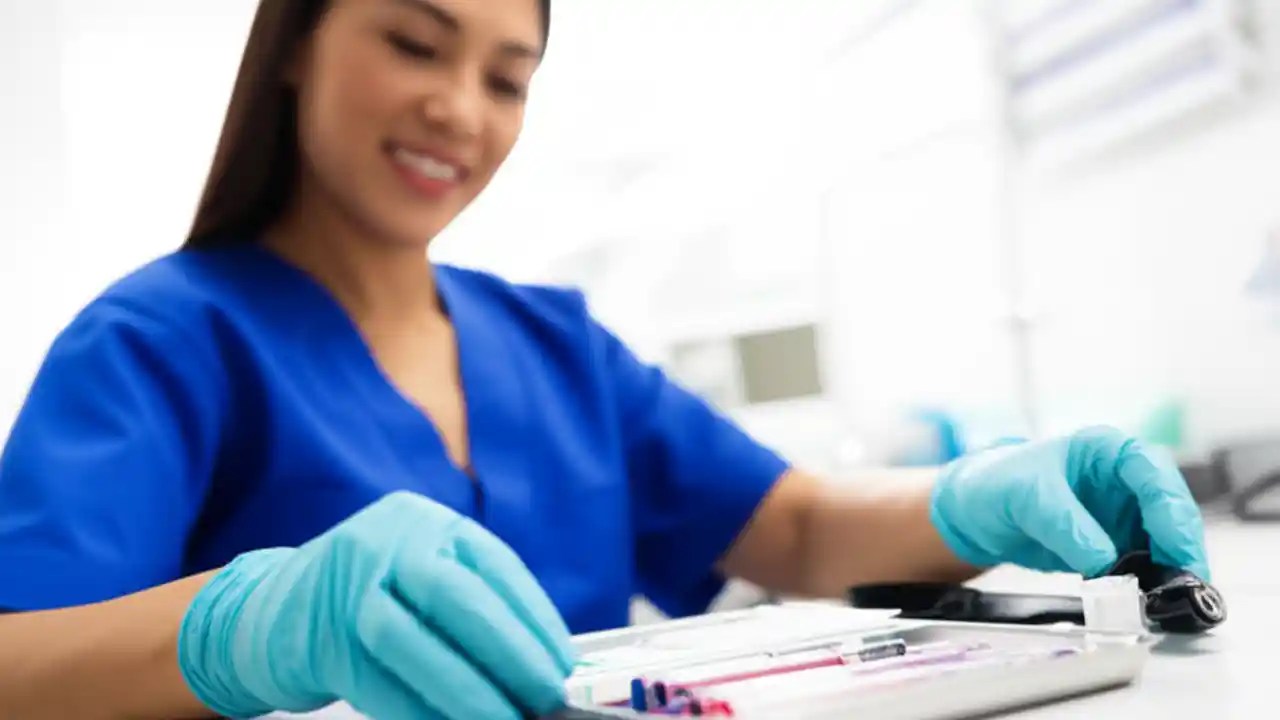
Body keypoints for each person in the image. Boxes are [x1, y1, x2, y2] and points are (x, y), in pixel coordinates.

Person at [0, 0, 1210, 718]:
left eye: (505, 78)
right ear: (295, 45)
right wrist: (251, 626)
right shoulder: (157, 342)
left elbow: (790, 528)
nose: (460, 112)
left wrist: (984, 492)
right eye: (416, 44)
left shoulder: (552, 342)